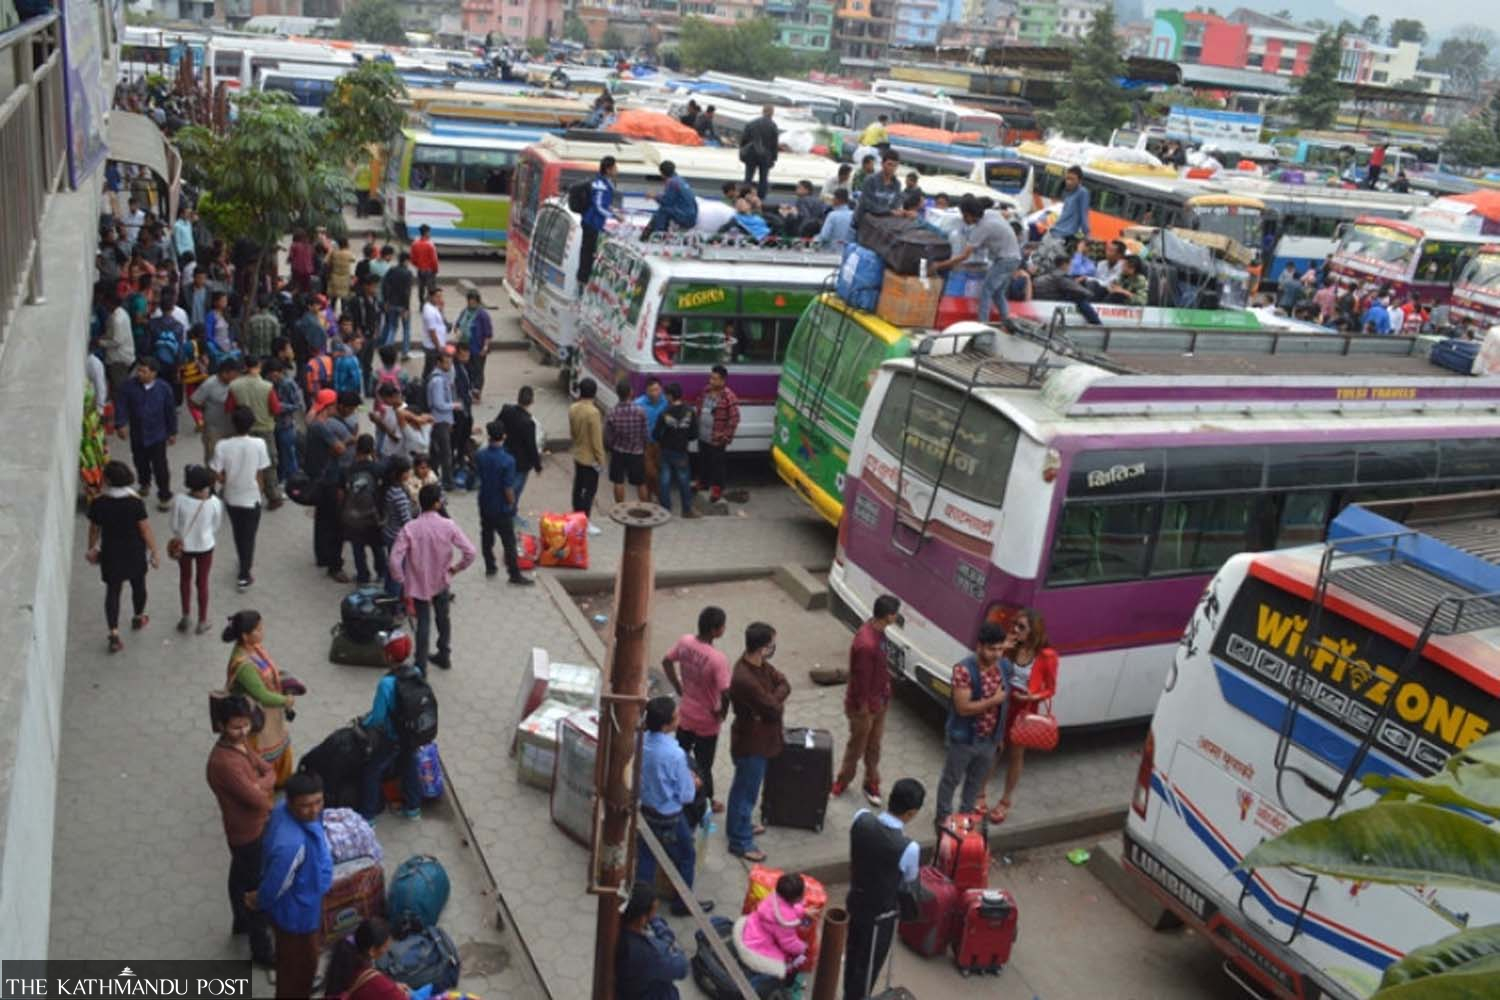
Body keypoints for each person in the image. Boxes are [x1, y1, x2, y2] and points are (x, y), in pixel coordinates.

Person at [205, 693, 276, 968]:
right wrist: (262, 786)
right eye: (236, 726)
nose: (243, 730)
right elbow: (257, 798)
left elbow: (267, 769)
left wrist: (262, 782)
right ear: (222, 726)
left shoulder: (240, 745)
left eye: (245, 725)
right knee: (255, 890)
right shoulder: (224, 763)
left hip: (244, 831)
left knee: (240, 877)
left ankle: (240, 922)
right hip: (247, 832)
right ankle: (262, 950)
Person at [249, 770, 332, 1000]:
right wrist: (259, 900)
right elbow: (276, 884)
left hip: (306, 900)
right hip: (297, 915)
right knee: (298, 969)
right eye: (306, 805)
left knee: (297, 964)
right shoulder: (291, 844)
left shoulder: (282, 811)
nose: (315, 810)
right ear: (291, 802)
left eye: (319, 801)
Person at [844, 778, 924, 1000]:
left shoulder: (861, 818)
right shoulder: (909, 848)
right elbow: (909, 880)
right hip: (880, 917)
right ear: (911, 813)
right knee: (868, 967)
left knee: (852, 954)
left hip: (855, 901)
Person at [981, 609, 1060, 824]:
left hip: (1025, 706)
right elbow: (989, 665)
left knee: (1016, 754)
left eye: (1021, 627)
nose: (1016, 630)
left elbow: (1051, 688)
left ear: (1034, 630)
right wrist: (1004, 646)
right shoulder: (1011, 647)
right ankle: (980, 794)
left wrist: (1033, 695)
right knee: (994, 748)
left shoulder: (1046, 656)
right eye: (1015, 625)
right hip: (1004, 701)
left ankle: (1005, 800)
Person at [636, 696, 714, 915]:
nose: (679, 717)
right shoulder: (675, 754)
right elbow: (687, 795)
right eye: (676, 715)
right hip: (668, 817)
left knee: (646, 857)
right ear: (667, 724)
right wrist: (695, 782)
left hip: (646, 811)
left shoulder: (640, 741)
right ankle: (682, 904)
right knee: (687, 856)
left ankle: (641, 907)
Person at [389, 484, 476, 672]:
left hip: (419, 586)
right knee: (443, 619)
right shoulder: (448, 525)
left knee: (423, 625)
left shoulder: (409, 528)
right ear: (437, 504)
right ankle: (444, 654)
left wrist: (402, 580)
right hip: (442, 581)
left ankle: (420, 668)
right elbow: (470, 552)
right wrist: (455, 569)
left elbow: (395, 560)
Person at [935, 623, 1013, 827]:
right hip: (965, 738)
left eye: (1000, 649)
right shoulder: (964, 669)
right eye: (991, 649)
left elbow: (1004, 706)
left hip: (990, 739)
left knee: (975, 782)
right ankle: (943, 818)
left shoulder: (1004, 667)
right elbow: (963, 708)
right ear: (979, 646)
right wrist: (993, 701)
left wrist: (999, 736)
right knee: (951, 779)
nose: (996, 654)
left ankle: (965, 818)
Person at [727, 621, 789, 863]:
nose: (773, 648)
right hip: (751, 743)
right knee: (745, 793)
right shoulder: (745, 677)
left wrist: (773, 701)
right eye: (771, 644)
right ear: (763, 647)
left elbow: (784, 682)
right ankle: (740, 841)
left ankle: (740, 825)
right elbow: (773, 708)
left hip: (759, 739)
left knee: (743, 790)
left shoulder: (758, 665)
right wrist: (775, 701)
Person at [833, 595, 902, 808]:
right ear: (889, 615)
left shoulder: (878, 633)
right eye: (895, 612)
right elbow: (860, 680)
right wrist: (863, 709)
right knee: (857, 746)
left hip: (879, 701)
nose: (897, 616)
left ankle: (871, 782)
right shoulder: (867, 644)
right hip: (864, 708)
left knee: (874, 746)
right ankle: (842, 781)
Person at [663, 606, 731, 814]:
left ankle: (677, 790)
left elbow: (667, 661)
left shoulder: (685, 642)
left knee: (681, 756)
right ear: (714, 630)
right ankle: (706, 801)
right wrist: (722, 714)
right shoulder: (717, 659)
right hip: (706, 722)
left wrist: (677, 686)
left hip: (685, 714)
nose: (724, 629)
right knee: (703, 765)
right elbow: (726, 692)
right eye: (722, 626)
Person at [86, 461, 160, 653]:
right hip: (134, 551)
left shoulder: (99, 503)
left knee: (113, 591)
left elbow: (94, 529)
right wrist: (154, 551)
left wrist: (92, 549)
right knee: (139, 585)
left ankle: (114, 633)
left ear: (108, 480)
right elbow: (144, 529)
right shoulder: (135, 502)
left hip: (111, 553)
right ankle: (138, 617)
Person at [223, 609, 297, 787]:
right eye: (258, 629)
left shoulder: (253, 648)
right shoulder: (244, 665)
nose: (262, 632)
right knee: (264, 753)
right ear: (245, 636)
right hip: (257, 717)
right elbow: (262, 696)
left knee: (278, 742)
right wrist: (286, 701)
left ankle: (281, 779)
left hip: (270, 712)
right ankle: (266, 785)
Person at [359, 630, 424, 821]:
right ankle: (413, 809)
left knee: (371, 772)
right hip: (412, 734)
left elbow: (378, 717)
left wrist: (363, 722)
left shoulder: (386, 683)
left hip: (392, 737)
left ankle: (368, 817)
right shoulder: (417, 672)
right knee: (409, 766)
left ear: (387, 656)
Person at [934, 197, 1023, 325]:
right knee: (998, 293)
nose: (964, 219)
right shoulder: (990, 213)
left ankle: (982, 327)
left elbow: (964, 256)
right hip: (1014, 258)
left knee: (986, 291)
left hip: (1005, 260)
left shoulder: (981, 229)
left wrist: (940, 265)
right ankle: (1008, 322)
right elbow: (1006, 214)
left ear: (969, 214)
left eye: (964, 216)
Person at [213, 407, 271, 591]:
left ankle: (243, 562)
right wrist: (260, 491)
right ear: (251, 424)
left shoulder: (222, 445)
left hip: (231, 496)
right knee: (249, 535)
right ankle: (244, 574)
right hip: (251, 496)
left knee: (238, 533)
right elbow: (261, 472)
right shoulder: (259, 444)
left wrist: (227, 481)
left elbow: (217, 473)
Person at [306, 389, 361, 583]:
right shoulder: (323, 426)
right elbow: (339, 449)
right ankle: (334, 565)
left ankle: (322, 556)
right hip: (330, 480)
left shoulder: (313, 423)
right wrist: (350, 440)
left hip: (320, 479)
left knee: (322, 520)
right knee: (335, 523)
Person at [114, 358, 178, 510]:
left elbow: (170, 411)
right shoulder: (128, 387)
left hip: (158, 435)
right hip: (138, 434)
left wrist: (172, 431)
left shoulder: (164, 389)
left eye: (144, 371)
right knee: (140, 462)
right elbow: (121, 405)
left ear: (154, 373)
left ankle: (164, 495)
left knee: (160, 466)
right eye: (139, 371)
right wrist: (120, 424)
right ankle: (144, 483)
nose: (140, 374)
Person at [475, 419, 533, 585]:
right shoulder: (508, 460)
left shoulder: (480, 455)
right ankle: (514, 574)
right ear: (504, 436)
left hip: (485, 501)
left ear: (489, 436)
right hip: (501, 506)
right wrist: (512, 502)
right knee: (509, 541)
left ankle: (490, 566)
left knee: (486, 535)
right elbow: (508, 488)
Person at [170, 464, 223, 634]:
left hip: (185, 546)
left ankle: (186, 615)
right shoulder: (215, 502)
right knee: (203, 582)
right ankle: (202, 620)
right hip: (206, 546)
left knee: (185, 579)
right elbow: (216, 525)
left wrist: (180, 535)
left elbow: (173, 525)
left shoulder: (179, 500)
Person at [615, 881, 689, 1000]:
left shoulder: (617, 927)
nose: (654, 916)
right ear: (642, 918)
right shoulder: (653, 953)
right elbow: (682, 968)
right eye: (653, 912)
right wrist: (666, 935)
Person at [228, 355, 284, 507]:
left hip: (244, 431)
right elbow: (276, 409)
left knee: (245, 463)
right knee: (269, 463)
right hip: (265, 429)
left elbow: (229, 408)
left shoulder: (234, 386)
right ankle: (273, 496)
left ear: (244, 367)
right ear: (258, 367)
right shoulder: (267, 387)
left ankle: (247, 494)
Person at [734, 872, 808, 981]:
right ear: (796, 898)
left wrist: (803, 911)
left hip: (749, 931)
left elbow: (790, 907)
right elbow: (789, 943)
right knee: (791, 960)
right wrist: (804, 947)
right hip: (756, 948)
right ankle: (786, 983)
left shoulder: (775, 897)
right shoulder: (785, 920)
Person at [322, 917, 407, 999]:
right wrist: (393, 991)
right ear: (372, 950)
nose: (387, 949)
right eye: (385, 946)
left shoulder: (343, 965)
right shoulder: (375, 981)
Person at [342, 435, 387, 587]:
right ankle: (381, 573)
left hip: (354, 517)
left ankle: (363, 576)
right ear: (372, 449)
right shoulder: (377, 468)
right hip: (373, 515)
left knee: (357, 547)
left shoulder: (349, 468)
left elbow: (343, 491)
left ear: (357, 448)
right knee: (377, 546)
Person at [498, 385, 543, 514]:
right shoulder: (528, 423)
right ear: (531, 401)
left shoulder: (507, 410)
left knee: (506, 484)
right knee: (515, 489)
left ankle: (505, 509)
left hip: (505, 453)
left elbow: (497, 425)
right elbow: (531, 447)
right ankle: (510, 513)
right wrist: (537, 466)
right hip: (521, 462)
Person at [698, 365, 739, 504]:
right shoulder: (706, 391)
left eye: (714, 379)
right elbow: (699, 407)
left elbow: (734, 418)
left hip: (717, 438)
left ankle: (717, 489)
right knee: (703, 461)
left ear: (722, 381)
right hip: (703, 435)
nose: (711, 381)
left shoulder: (729, 396)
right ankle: (703, 483)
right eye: (711, 377)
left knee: (717, 465)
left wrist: (725, 436)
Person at [605, 379, 650, 504]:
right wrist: (644, 447)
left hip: (618, 451)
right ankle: (645, 507)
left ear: (617, 393)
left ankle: (620, 508)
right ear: (631, 392)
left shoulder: (612, 412)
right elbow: (646, 434)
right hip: (637, 452)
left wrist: (611, 447)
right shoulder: (641, 411)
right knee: (640, 482)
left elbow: (608, 437)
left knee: (618, 481)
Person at [569, 377, 606, 528]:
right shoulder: (593, 413)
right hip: (590, 458)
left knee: (578, 488)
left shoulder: (573, 408)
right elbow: (597, 440)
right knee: (589, 491)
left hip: (578, 453)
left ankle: (576, 515)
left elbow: (572, 432)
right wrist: (601, 460)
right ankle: (584, 521)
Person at [192, 356, 241, 467]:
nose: (237, 376)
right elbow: (194, 402)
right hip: (213, 430)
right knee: (213, 458)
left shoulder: (235, 384)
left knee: (231, 459)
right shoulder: (209, 384)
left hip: (232, 428)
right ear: (225, 373)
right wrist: (206, 411)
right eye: (235, 374)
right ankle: (211, 482)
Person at [579, 156, 620, 286]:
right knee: (588, 252)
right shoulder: (601, 185)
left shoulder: (605, 182)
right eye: (615, 167)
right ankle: (583, 279)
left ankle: (585, 277)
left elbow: (604, 203)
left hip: (596, 223)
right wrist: (613, 216)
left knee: (590, 251)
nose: (617, 169)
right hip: (592, 222)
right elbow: (598, 205)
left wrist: (612, 211)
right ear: (608, 169)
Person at [267, 359, 303, 486]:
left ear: (280, 372)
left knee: (288, 454)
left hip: (286, 424)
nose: (272, 378)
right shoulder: (270, 384)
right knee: (280, 455)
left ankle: (293, 481)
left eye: (274, 375)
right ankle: (282, 479)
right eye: (270, 375)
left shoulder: (288, 384)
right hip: (274, 424)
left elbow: (297, 405)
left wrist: (279, 406)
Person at [427, 345, 458, 491]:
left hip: (442, 420)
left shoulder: (443, 376)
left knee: (438, 453)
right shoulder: (438, 381)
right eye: (446, 362)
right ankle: (448, 482)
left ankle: (434, 479)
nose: (449, 365)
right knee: (445, 454)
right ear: (439, 363)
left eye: (451, 362)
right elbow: (438, 404)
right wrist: (454, 406)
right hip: (440, 420)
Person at [633, 377, 668, 502]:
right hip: (645, 444)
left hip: (661, 443)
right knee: (649, 472)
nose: (655, 393)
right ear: (646, 391)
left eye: (657, 389)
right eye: (652, 390)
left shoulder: (666, 402)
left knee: (659, 471)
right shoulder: (638, 404)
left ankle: (655, 497)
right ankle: (652, 497)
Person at [455, 289, 493, 401]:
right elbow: (457, 325)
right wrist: (457, 331)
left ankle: (476, 392)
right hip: (464, 348)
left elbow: (488, 333)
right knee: (466, 370)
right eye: (469, 301)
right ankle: (467, 390)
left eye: (473, 301)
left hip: (477, 348)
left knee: (478, 371)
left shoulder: (483, 315)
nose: (471, 303)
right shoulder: (464, 312)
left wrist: (485, 347)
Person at [854, 151, 909, 229]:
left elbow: (895, 205)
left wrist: (901, 212)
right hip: (863, 223)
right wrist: (889, 211)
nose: (892, 168)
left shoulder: (897, 184)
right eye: (889, 164)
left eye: (895, 165)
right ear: (882, 164)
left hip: (882, 225)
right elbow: (868, 205)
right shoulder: (870, 180)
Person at [644, 161, 699, 239]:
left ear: (662, 173)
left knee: (663, 210)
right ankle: (661, 232)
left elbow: (666, 202)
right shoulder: (680, 180)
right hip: (692, 217)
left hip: (685, 217)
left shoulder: (672, 182)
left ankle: (658, 234)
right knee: (667, 209)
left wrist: (653, 196)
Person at [740, 106, 781, 202]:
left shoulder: (751, 123)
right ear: (772, 113)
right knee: (763, 178)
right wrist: (774, 158)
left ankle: (745, 196)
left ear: (763, 111)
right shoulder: (773, 125)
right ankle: (761, 198)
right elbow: (774, 144)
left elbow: (744, 140)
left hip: (750, 153)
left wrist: (742, 153)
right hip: (765, 156)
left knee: (748, 177)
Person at [380, 251, 415, 357]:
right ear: (406, 261)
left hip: (391, 304)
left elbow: (384, 286)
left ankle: (387, 348)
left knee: (392, 327)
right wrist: (407, 308)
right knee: (406, 329)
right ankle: (405, 351)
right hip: (402, 305)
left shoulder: (391, 270)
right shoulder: (408, 273)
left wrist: (386, 301)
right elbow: (407, 292)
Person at [1050, 166, 1090, 241]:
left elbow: (1083, 216)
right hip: (1056, 233)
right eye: (1067, 178)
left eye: (1072, 179)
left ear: (1080, 181)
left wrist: (1087, 233)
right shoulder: (1068, 193)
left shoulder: (1082, 192)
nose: (1068, 182)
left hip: (1063, 235)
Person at [420, 287, 448, 383]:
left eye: (441, 296)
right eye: (437, 297)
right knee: (430, 370)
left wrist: (441, 309)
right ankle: (425, 387)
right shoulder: (429, 311)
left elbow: (442, 322)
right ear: (430, 297)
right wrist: (438, 346)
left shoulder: (434, 307)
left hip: (436, 345)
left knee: (431, 369)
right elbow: (432, 332)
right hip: (433, 346)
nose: (440, 299)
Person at [244, 294, 280, 361]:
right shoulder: (274, 320)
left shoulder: (252, 320)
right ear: (269, 305)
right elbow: (277, 339)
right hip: (270, 354)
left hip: (255, 354)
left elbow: (247, 338)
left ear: (258, 305)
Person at [410, 224, 440, 304]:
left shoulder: (415, 244)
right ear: (426, 233)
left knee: (421, 288)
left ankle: (421, 304)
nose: (430, 234)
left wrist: (419, 265)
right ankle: (429, 304)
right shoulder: (430, 244)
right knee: (431, 289)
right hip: (430, 270)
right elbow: (434, 260)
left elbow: (413, 259)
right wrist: (435, 269)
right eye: (429, 232)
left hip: (420, 270)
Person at [327, 236, 355, 301]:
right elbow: (353, 259)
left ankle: (330, 311)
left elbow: (326, 262)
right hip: (345, 279)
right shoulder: (348, 253)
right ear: (346, 244)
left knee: (332, 300)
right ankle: (344, 311)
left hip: (334, 278)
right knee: (344, 300)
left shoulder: (333, 252)